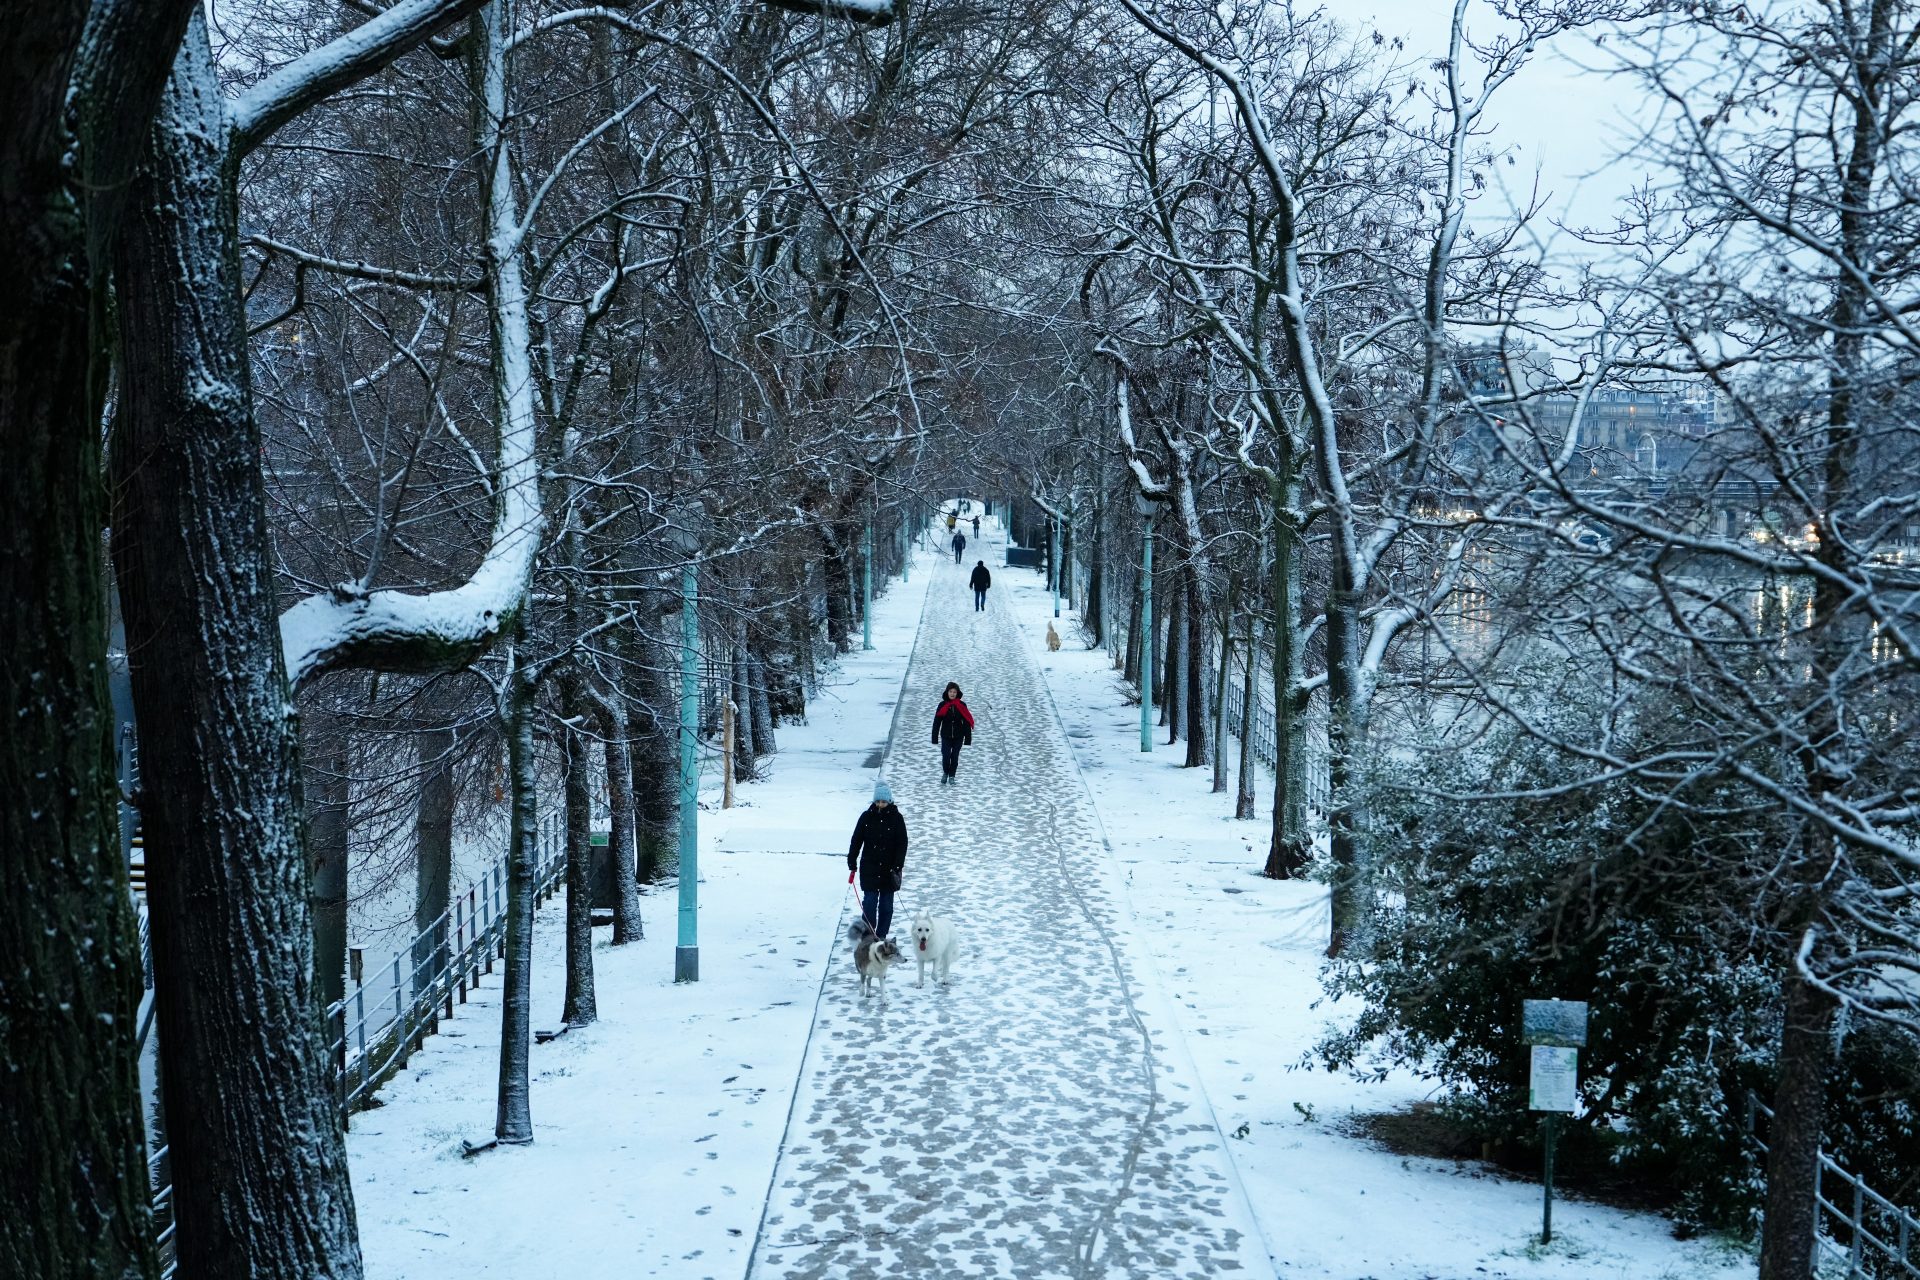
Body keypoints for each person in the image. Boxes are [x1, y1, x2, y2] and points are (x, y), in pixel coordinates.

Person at [847, 781, 908, 938]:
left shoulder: (897, 818)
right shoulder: (866, 817)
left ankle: (881, 935)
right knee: (869, 903)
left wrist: (898, 865)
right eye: (878, 801)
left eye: (884, 802)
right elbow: (856, 839)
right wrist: (852, 860)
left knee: (886, 906)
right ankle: (868, 934)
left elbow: (902, 843)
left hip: (889, 870)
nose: (880, 804)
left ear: (889, 801)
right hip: (870, 868)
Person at [931, 682, 974, 784]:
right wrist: (934, 737)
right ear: (947, 692)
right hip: (946, 735)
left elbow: (967, 721)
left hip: (958, 736)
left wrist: (968, 739)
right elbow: (937, 722)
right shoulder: (942, 705)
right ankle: (946, 772)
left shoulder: (962, 705)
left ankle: (952, 776)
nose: (952, 694)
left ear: (957, 693)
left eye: (954, 692)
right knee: (946, 755)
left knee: (954, 756)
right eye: (950, 691)